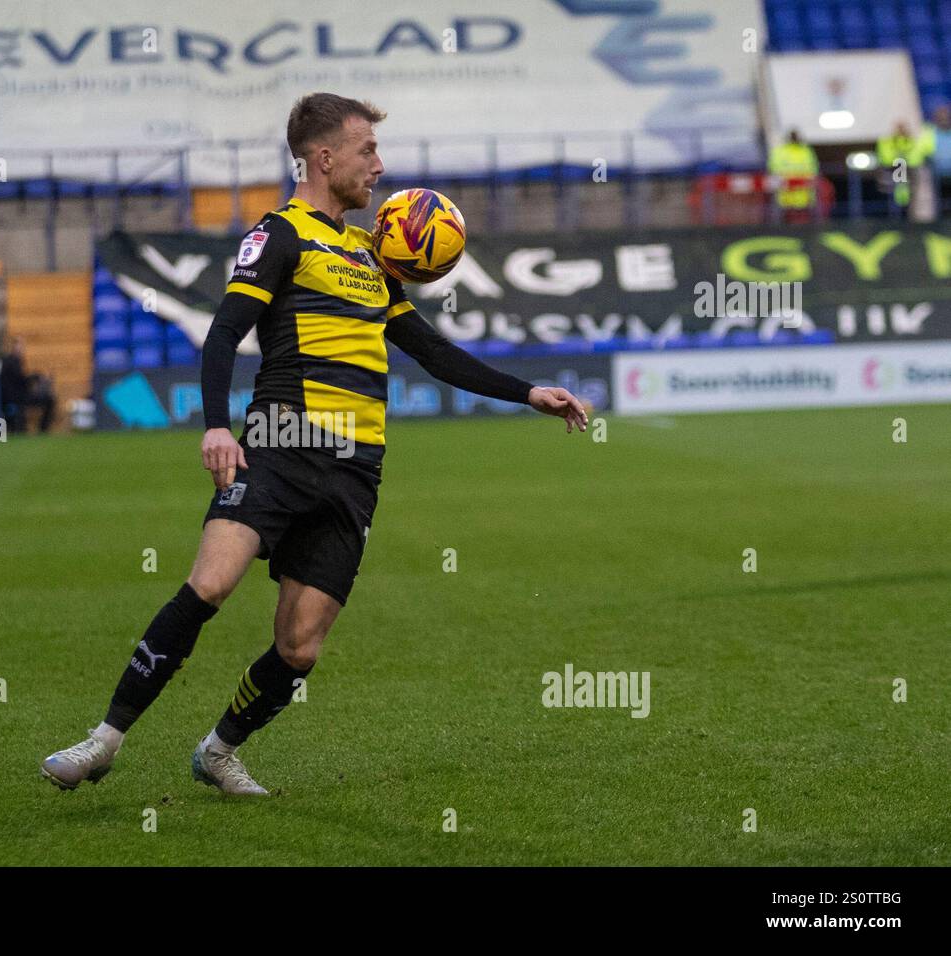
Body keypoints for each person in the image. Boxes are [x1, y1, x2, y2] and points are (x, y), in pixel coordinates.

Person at [39, 92, 588, 796]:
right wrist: (215, 423)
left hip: (357, 468)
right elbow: (225, 331)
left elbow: (433, 353)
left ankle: (218, 751)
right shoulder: (281, 235)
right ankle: (103, 742)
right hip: (279, 445)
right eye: (368, 152)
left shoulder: (369, 256)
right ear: (325, 158)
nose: (379, 168)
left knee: (300, 646)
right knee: (209, 584)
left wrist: (527, 393)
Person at [0, 335, 56, 433]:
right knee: (50, 400)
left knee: (49, 399)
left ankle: (41, 429)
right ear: (14, 347)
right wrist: (37, 376)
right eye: (20, 346)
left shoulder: (14, 361)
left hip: (18, 396)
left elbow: (21, 380)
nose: (22, 349)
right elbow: (21, 379)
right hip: (16, 398)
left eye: (22, 346)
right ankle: (42, 429)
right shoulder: (11, 361)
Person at [876, 121, 932, 214]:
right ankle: (892, 213)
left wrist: (904, 159)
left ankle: (911, 215)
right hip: (892, 169)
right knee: (887, 185)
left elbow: (917, 157)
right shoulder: (887, 141)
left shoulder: (913, 141)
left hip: (910, 171)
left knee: (915, 191)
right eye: (899, 128)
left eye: (903, 128)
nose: (901, 130)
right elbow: (885, 157)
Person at [767, 129, 818, 222]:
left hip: (803, 196)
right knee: (785, 221)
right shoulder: (780, 151)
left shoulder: (805, 151)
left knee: (803, 223)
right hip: (785, 197)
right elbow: (773, 169)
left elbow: (813, 170)